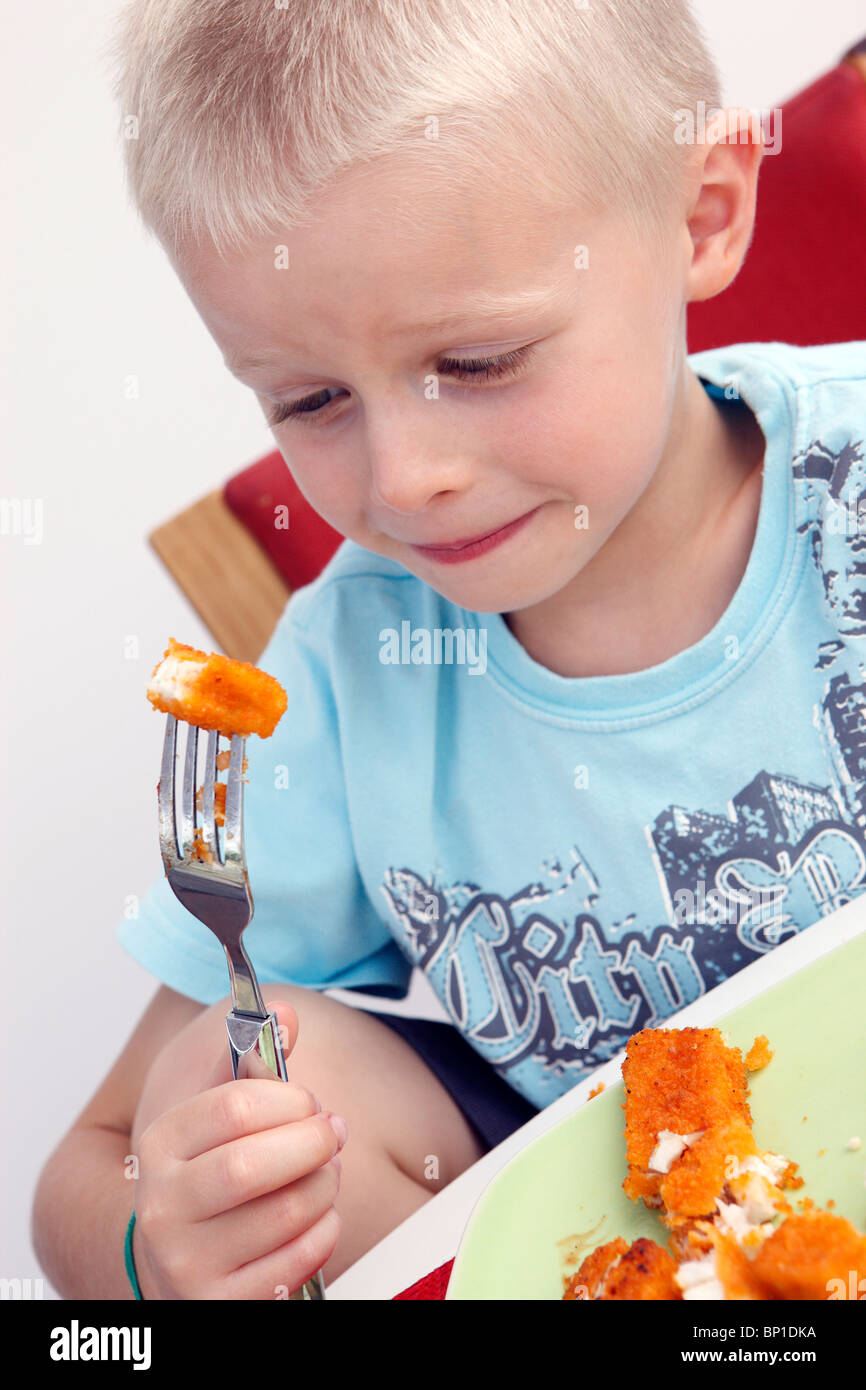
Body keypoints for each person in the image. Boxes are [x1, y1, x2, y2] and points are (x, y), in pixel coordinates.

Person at [32, 0, 866, 1299]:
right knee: (253, 1069)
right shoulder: (347, 684)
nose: (404, 479)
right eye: (309, 400)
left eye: (474, 361)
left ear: (700, 218)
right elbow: (81, 1177)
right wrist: (165, 1241)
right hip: (655, 1262)